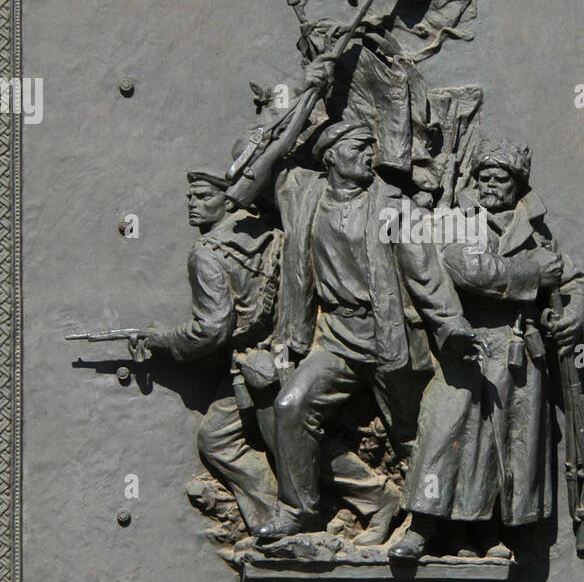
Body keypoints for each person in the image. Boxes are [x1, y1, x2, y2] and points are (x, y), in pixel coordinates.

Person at [264, 119, 483, 541]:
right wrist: (309, 92)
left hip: (389, 334)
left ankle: (432, 526)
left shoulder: (394, 206)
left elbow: (426, 272)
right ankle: (301, 510)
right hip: (336, 336)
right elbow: (266, 159)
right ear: (329, 155)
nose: (370, 154)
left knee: (410, 436)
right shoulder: (302, 196)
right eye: (360, 147)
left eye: (372, 146)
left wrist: (451, 324)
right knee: (290, 407)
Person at [394, 138, 584, 559]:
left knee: (504, 444)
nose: (488, 185)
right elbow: (466, 269)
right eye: (482, 176)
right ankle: (423, 526)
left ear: (516, 183)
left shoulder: (535, 230)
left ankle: (486, 533)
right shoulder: (455, 219)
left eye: (499, 178)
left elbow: (572, 279)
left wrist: (575, 311)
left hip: (520, 356)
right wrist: (532, 274)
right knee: (444, 431)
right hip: (468, 346)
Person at [131, 170, 282, 535]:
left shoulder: (207, 252)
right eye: (189, 198)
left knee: (220, 439)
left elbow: (211, 330)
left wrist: (160, 340)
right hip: (285, 356)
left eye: (201, 196)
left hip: (252, 367)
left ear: (229, 199)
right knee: (288, 441)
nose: (191, 205)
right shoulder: (271, 235)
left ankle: (275, 517)